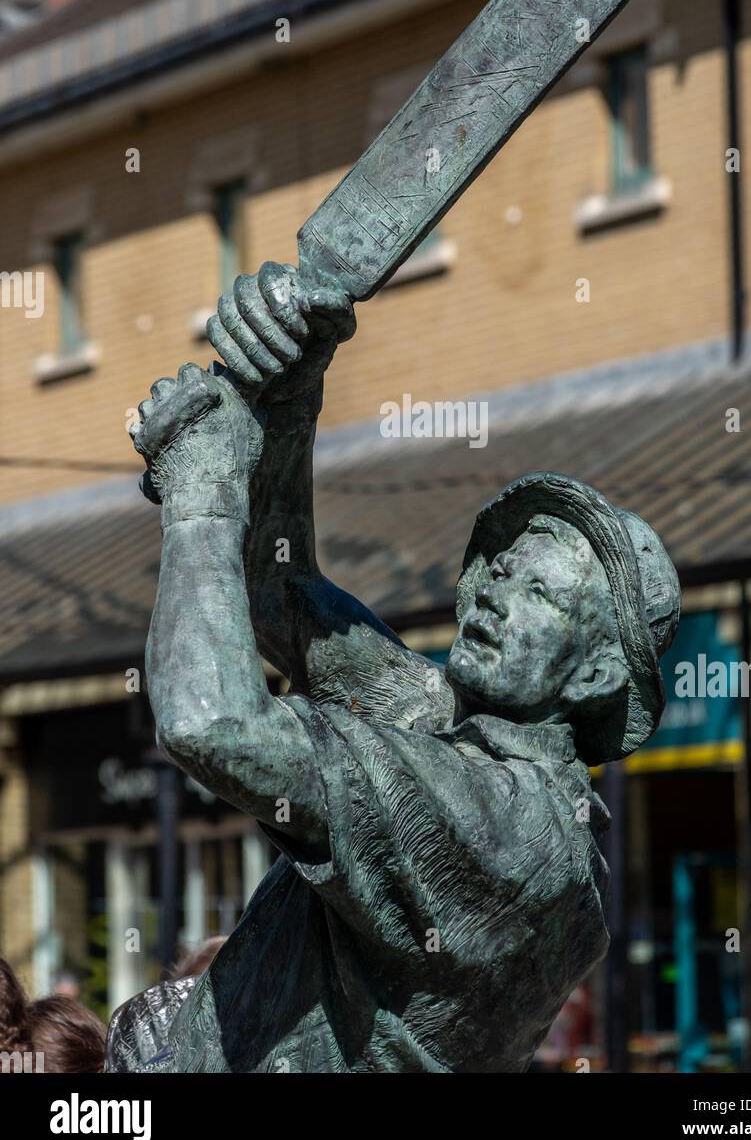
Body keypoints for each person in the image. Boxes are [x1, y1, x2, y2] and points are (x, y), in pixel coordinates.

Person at [106, 260, 679, 1074]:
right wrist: (293, 391)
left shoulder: (511, 825)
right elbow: (279, 590)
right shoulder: (449, 731)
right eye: (499, 571)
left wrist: (204, 493)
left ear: (592, 677)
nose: (492, 596)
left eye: (538, 595)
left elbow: (214, 721)